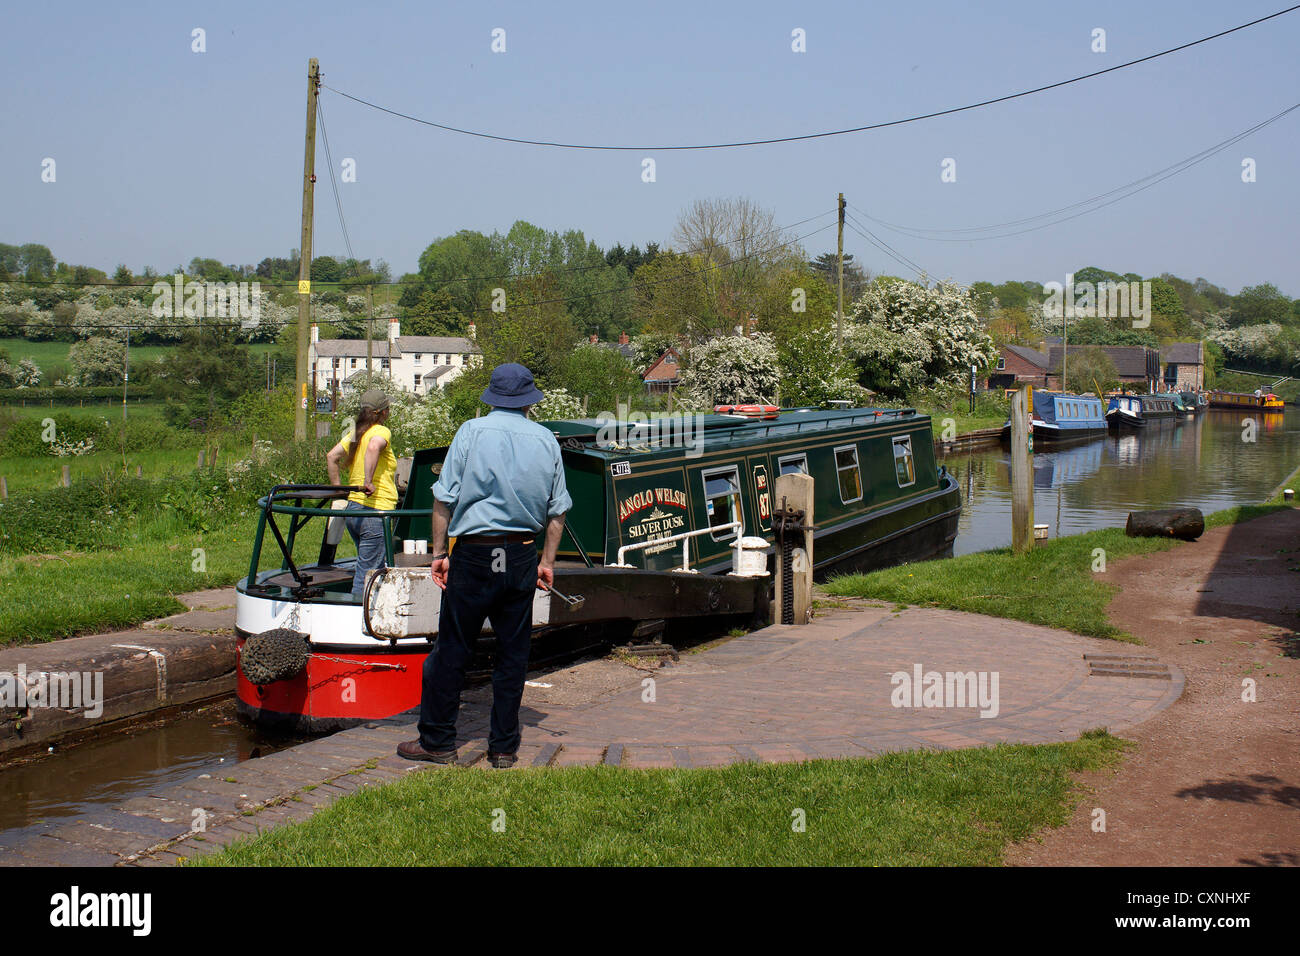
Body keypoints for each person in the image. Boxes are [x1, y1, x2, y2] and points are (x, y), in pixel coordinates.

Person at [398, 363, 571, 769]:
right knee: (513, 654)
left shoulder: (471, 432)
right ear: (530, 401)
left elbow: (444, 499)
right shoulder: (547, 440)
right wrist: (547, 562)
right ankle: (504, 747)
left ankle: (438, 741)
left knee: (453, 648)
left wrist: (439, 553)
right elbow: (557, 511)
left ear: (492, 397)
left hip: (476, 553)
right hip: (522, 554)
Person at [325, 389, 398, 601]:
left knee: (369, 564)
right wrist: (368, 480)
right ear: (383, 412)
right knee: (367, 574)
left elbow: (332, 457)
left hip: (353, 510)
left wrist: (338, 490)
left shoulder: (355, 434)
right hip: (375, 511)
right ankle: (359, 618)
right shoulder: (380, 432)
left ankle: (377, 609)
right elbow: (374, 447)